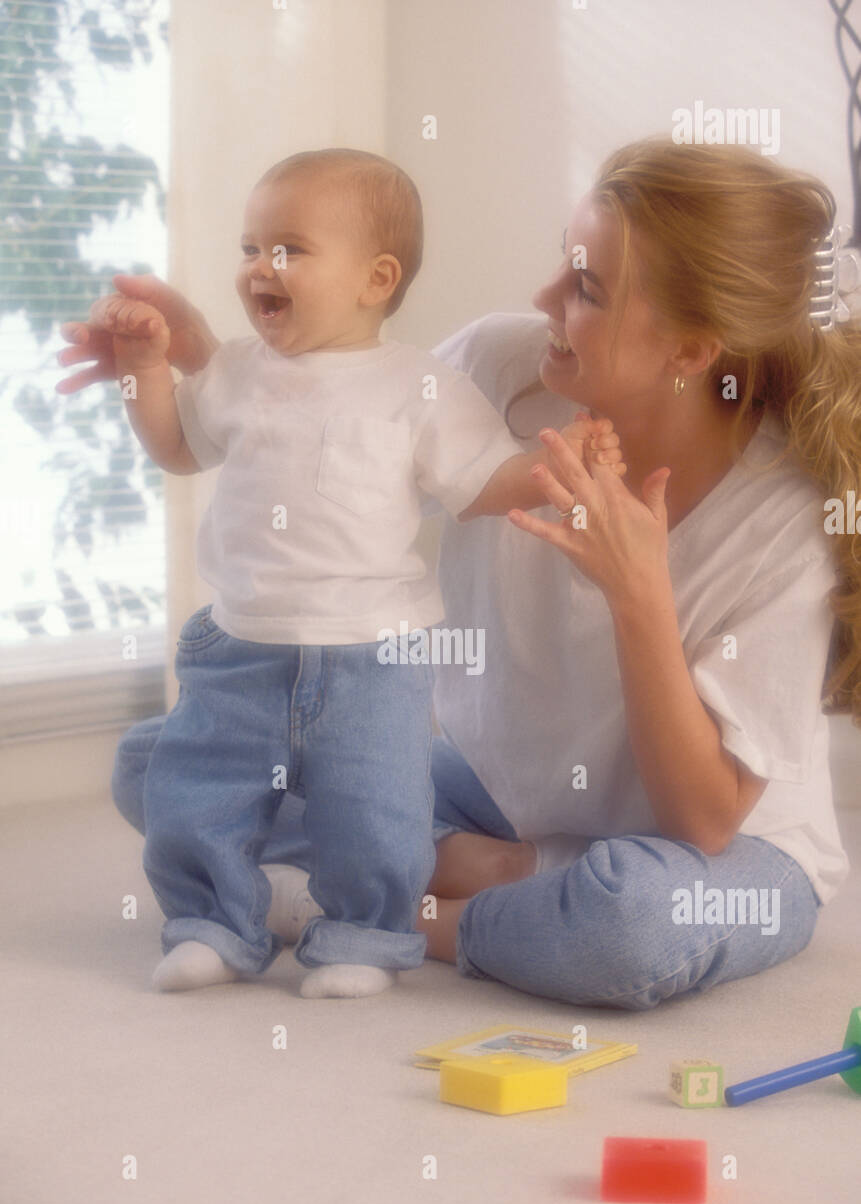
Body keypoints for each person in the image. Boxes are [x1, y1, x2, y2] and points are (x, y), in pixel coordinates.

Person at [59, 137, 861, 1009]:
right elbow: (327, 426)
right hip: (497, 789)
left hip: (713, 849)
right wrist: (191, 361)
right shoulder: (495, 366)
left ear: (690, 352)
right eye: (565, 262)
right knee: (159, 761)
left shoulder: (782, 513)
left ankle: (358, 913)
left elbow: (703, 820)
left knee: (630, 925)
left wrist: (639, 595)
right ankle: (475, 875)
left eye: (586, 289)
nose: (543, 297)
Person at [79, 147, 620, 1000]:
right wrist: (148, 370)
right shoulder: (237, 374)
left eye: (288, 249)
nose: (260, 267)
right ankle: (213, 922)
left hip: (374, 655)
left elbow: (482, 484)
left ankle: (364, 932)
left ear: (375, 278)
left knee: (377, 803)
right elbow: (177, 448)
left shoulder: (419, 386)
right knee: (195, 791)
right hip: (240, 647)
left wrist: (557, 464)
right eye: (251, 249)